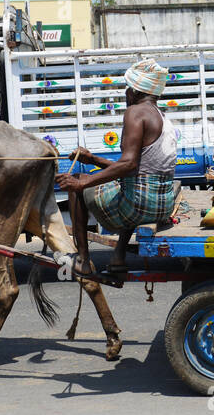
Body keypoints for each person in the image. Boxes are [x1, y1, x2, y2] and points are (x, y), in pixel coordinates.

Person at [56, 58, 179, 275]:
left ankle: (83, 259)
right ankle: (118, 257)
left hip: (139, 205)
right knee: (123, 185)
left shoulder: (135, 112)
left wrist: (79, 183)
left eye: (126, 89)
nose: (125, 94)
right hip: (162, 205)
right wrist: (93, 159)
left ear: (134, 90)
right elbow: (135, 169)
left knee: (78, 186)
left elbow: (129, 164)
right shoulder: (161, 116)